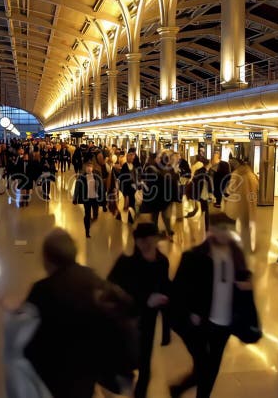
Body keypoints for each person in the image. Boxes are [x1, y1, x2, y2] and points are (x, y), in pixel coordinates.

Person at [23, 229, 133, 398]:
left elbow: (29, 340)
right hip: (89, 370)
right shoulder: (95, 281)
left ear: (47, 259)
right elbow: (122, 317)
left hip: (58, 374)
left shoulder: (42, 291)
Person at [169, 212, 252, 398]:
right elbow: (179, 290)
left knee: (212, 367)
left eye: (229, 230)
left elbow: (244, 276)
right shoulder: (194, 257)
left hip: (224, 323)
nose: (226, 234)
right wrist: (190, 312)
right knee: (203, 365)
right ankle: (181, 388)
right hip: (201, 322)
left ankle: (191, 392)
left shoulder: (236, 254)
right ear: (211, 230)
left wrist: (247, 284)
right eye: (222, 229)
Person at [107, 223, 171, 398]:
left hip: (148, 322)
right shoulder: (126, 263)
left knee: (145, 367)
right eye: (142, 240)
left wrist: (166, 330)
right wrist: (145, 298)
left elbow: (165, 292)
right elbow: (111, 288)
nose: (146, 244)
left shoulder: (162, 262)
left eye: (150, 239)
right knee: (127, 362)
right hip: (128, 320)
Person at [223, 160, 259, 252]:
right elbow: (257, 187)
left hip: (239, 204)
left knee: (239, 225)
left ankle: (239, 246)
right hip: (251, 204)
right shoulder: (252, 175)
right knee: (250, 224)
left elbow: (230, 189)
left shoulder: (236, 174)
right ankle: (250, 246)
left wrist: (226, 193)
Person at [73, 162, 104, 238]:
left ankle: (92, 220)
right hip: (86, 199)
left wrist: (103, 199)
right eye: (87, 167)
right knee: (87, 215)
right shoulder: (81, 177)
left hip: (95, 199)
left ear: (92, 168)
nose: (89, 168)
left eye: (90, 167)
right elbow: (77, 187)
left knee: (96, 214)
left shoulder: (96, 176)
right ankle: (87, 231)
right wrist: (75, 198)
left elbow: (101, 188)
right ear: (85, 168)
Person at [119, 150, 140, 224]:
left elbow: (135, 177)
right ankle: (130, 219)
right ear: (127, 156)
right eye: (130, 155)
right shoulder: (125, 166)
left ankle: (131, 218)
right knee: (128, 204)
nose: (132, 157)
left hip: (133, 189)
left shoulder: (133, 166)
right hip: (127, 189)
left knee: (132, 204)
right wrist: (126, 194)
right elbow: (123, 180)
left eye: (133, 156)